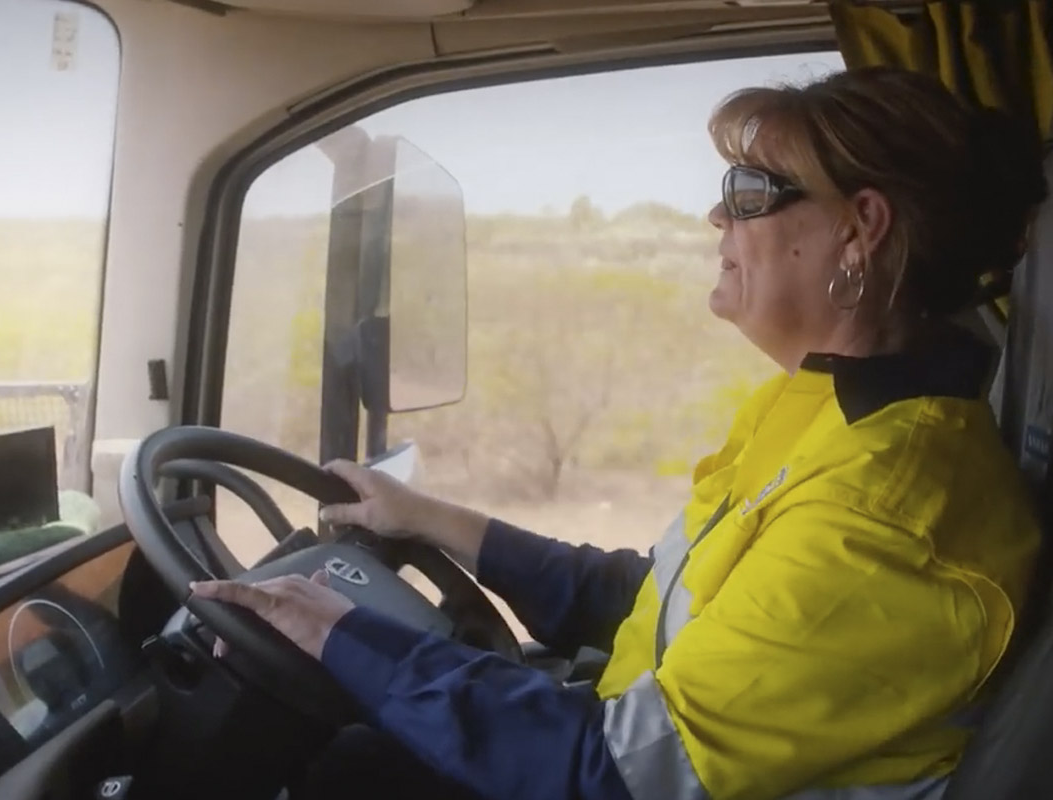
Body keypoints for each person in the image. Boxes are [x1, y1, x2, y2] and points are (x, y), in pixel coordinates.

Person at [192, 66, 1048, 800]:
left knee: (347, 772)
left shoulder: (892, 516)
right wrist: (426, 517)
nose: (721, 220)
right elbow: (658, 601)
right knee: (362, 761)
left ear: (862, 228)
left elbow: (614, 772)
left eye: (750, 194)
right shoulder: (825, 410)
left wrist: (342, 636)